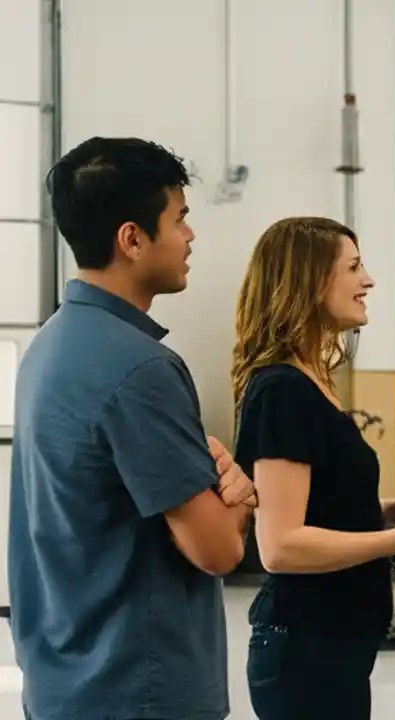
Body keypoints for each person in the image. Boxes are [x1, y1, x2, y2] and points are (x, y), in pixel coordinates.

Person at [8, 136, 257, 720]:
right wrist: (238, 499)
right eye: (180, 219)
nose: (191, 236)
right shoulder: (142, 368)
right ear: (132, 238)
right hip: (140, 689)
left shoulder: (49, 348)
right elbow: (218, 549)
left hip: (63, 683)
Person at [229, 216, 395, 719]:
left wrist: (390, 511)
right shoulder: (281, 391)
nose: (369, 280)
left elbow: (318, 507)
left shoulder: (312, 382)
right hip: (305, 650)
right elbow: (282, 546)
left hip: (334, 646)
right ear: (310, 282)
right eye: (354, 267)